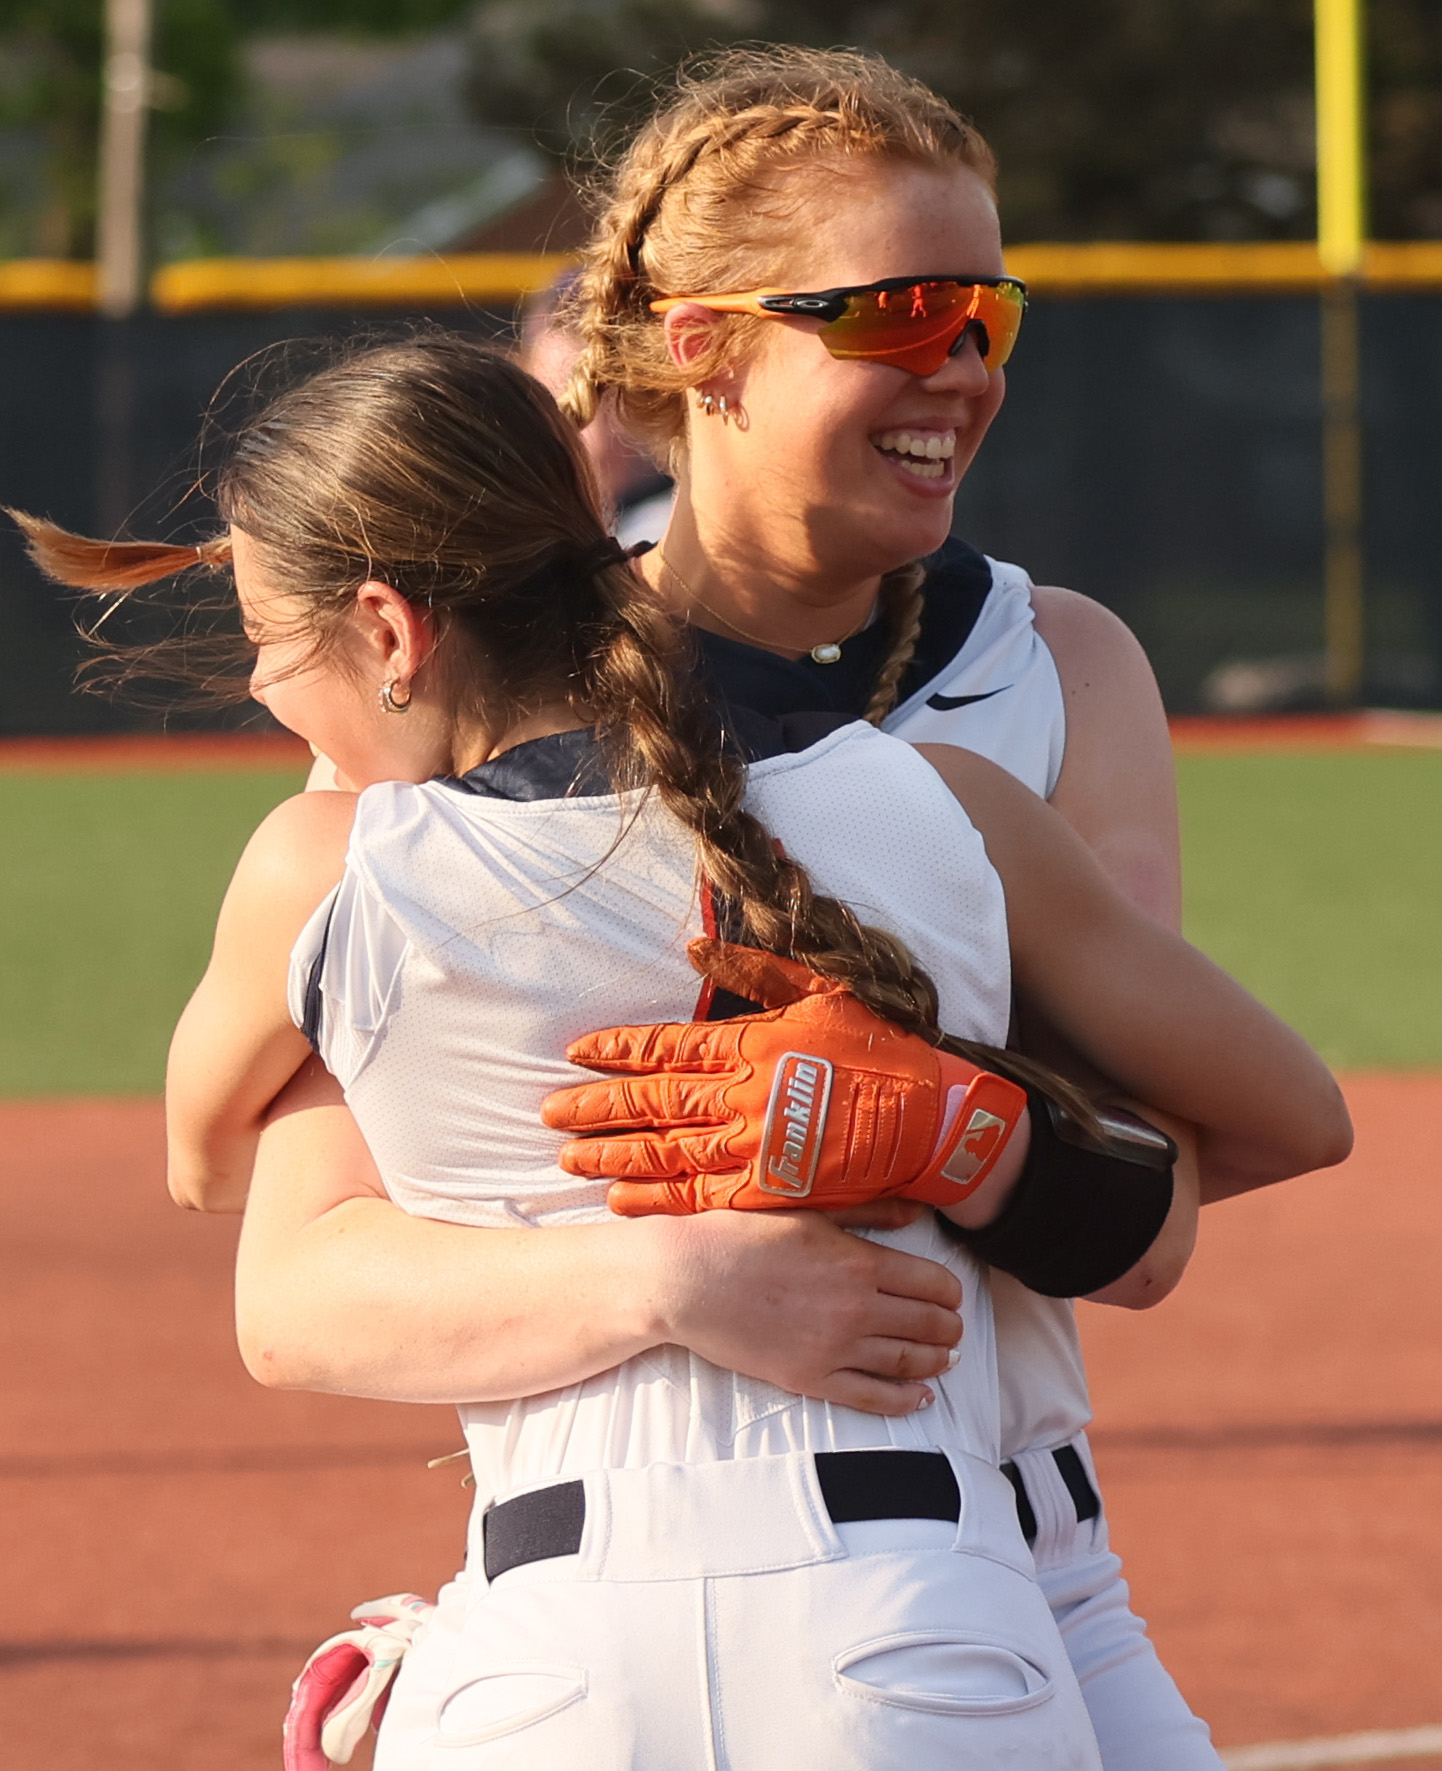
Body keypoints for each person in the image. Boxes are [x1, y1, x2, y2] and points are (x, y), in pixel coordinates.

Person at [15, 335, 1346, 1768]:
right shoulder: (937, 802)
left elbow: (210, 1165)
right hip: (934, 1611)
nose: (274, 695)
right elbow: (1287, 1120)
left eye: (277, 648)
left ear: (393, 635)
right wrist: (974, 1129)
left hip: (541, 1652)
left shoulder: (338, 868)